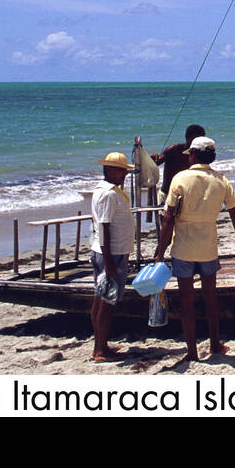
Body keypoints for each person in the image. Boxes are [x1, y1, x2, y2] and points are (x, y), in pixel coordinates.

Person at [153, 136, 235, 361]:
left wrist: (159, 253)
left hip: (183, 249)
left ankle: (192, 353)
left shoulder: (180, 179)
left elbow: (168, 219)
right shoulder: (221, 180)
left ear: (193, 155)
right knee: (210, 298)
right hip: (208, 248)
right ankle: (215, 344)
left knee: (186, 301)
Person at [90, 151, 135, 362]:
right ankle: (100, 350)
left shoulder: (108, 190)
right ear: (109, 170)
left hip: (109, 252)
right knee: (107, 302)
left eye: (125, 171)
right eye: (121, 171)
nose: (124, 175)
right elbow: (105, 226)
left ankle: (101, 344)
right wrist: (108, 261)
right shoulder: (108, 194)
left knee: (101, 298)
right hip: (111, 253)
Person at [152, 124, 207, 194]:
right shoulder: (173, 150)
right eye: (200, 139)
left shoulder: (199, 153)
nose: (202, 142)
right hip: (167, 194)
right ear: (191, 138)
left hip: (187, 195)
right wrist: (152, 159)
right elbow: (155, 163)